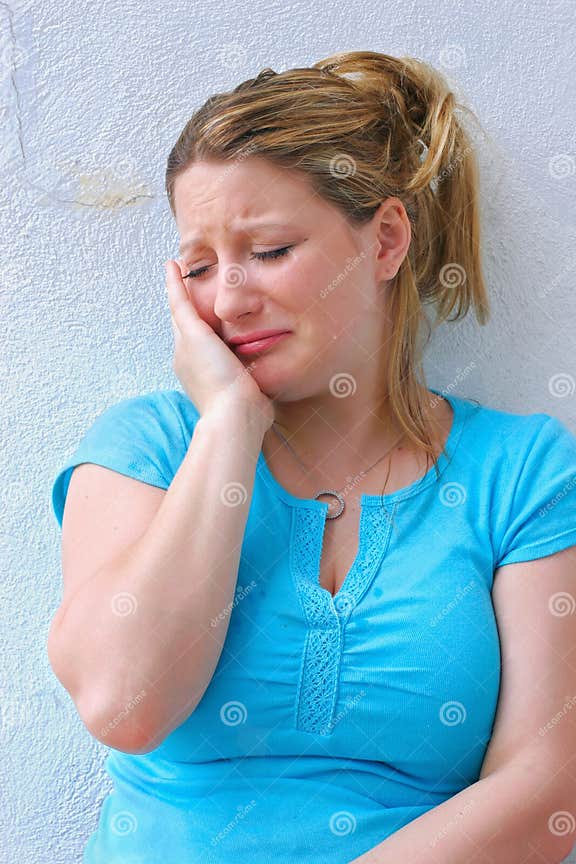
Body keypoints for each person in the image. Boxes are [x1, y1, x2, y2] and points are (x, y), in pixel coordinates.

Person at [47, 51, 576, 863]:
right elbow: (125, 705)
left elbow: (546, 796)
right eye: (197, 265)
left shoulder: (524, 473)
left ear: (387, 239)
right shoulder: (145, 449)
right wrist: (228, 423)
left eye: (268, 251)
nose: (227, 298)